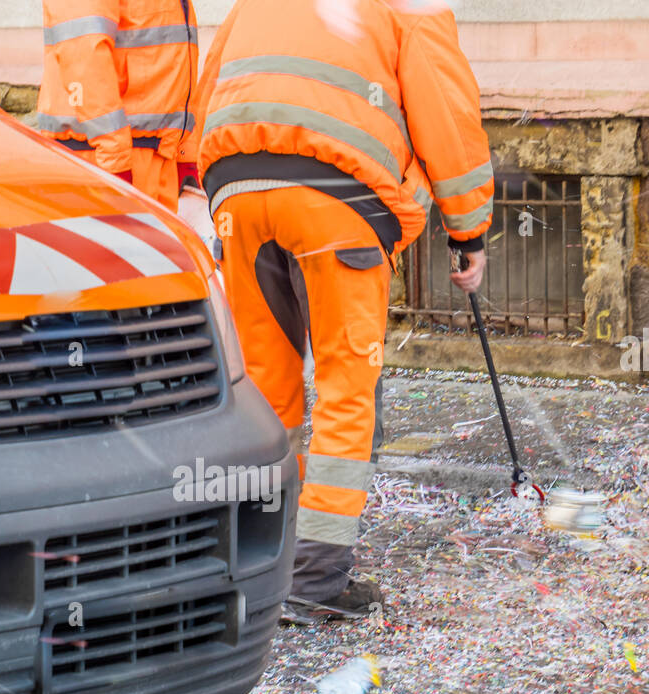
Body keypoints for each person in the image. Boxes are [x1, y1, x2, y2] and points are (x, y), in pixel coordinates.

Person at [190, 0, 493, 624]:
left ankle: (256, 568)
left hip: (236, 194)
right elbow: (448, 117)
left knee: (264, 395)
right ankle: (314, 581)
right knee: (346, 389)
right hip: (341, 202)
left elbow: (210, 91)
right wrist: (469, 230)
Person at [38, 0, 199, 210]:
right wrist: (115, 156)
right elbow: (84, 53)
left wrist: (184, 150)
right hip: (101, 157)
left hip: (152, 156)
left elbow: (176, 61)